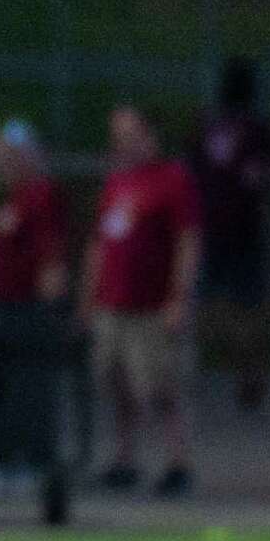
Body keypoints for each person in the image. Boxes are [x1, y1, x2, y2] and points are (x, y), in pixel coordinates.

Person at [82, 105, 202, 498]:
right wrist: (89, 296)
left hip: (150, 305)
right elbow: (100, 243)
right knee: (116, 382)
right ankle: (125, 458)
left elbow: (187, 240)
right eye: (118, 136)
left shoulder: (172, 179)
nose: (123, 143)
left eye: (131, 134)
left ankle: (178, 462)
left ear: (149, 135)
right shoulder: (117, 182)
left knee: (160, 385)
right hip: (112, 303)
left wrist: (178, 297)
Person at [0, 118, 70, 518]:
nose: (1, 164)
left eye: (8, 156)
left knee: (30, 398)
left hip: (24, 313)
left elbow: (51, 257)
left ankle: (34, 471)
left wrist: (48, 312)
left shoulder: (40, 196)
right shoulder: (12, 200)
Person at [191, 57, 270, 411]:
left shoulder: (208, 127)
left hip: (214, 224)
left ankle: (229, 368)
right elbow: (263, 178)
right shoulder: (257, 131)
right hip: (242, 226)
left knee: (209, 301)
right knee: (245, 306)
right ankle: (247, 370)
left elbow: (194, 171)